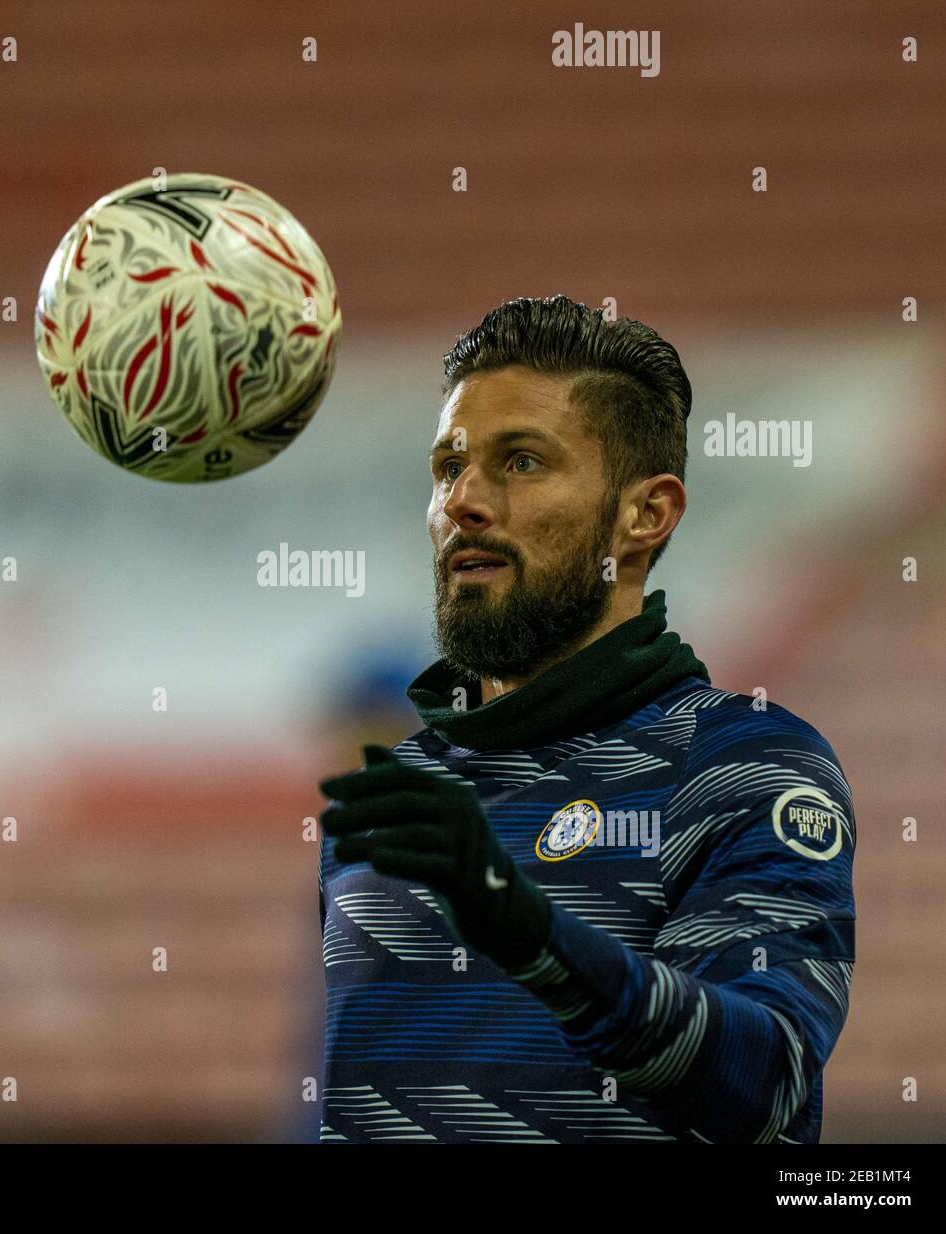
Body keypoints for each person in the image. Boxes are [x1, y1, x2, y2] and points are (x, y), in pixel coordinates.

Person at [317, 294, 855, 1143]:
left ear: (646, 515)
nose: (463, 500)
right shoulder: (407, 791)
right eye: (447, 466)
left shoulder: (744, 764)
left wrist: (525, 928)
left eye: (522, 462)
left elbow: (761, 1082)